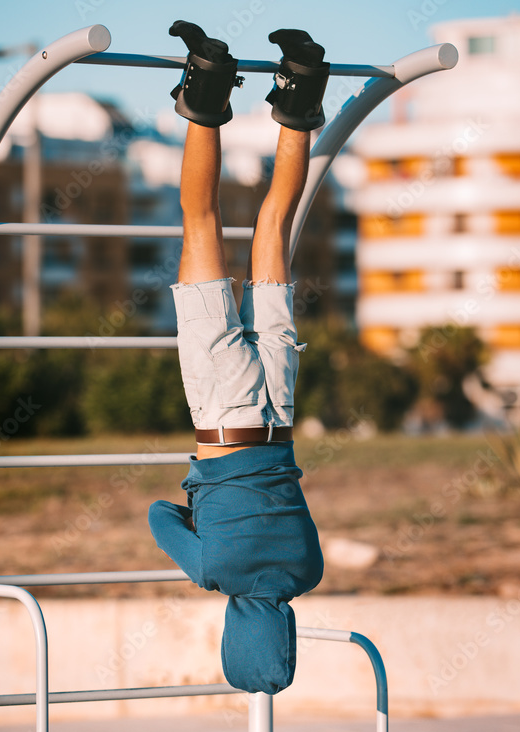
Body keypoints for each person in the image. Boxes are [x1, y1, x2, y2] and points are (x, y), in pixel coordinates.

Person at [148, 22, 329, 695]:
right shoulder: (211, 571)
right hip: (221, 414)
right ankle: (207, 81)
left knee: (274, 222)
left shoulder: (308, 572)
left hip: (279, 407)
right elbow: (158, 517)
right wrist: (208, 516)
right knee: (200, 219)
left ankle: (301, 83)